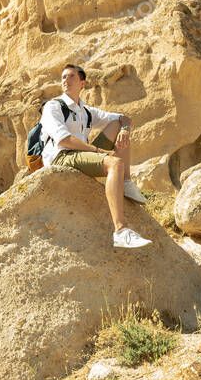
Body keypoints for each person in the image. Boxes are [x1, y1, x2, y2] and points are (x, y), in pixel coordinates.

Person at [40, 64, 153, 250]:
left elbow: (124, 118)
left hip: (80, 154)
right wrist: (98, 152)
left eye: (71, 77)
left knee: (116, 125)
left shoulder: (85, 111)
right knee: (115, 163)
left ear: (82, 83)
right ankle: (121, 231)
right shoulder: (54, 106)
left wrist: (125, 129)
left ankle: (125, 182)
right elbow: (65, 140)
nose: (65, 81)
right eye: (63, 77)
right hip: (61, 156)